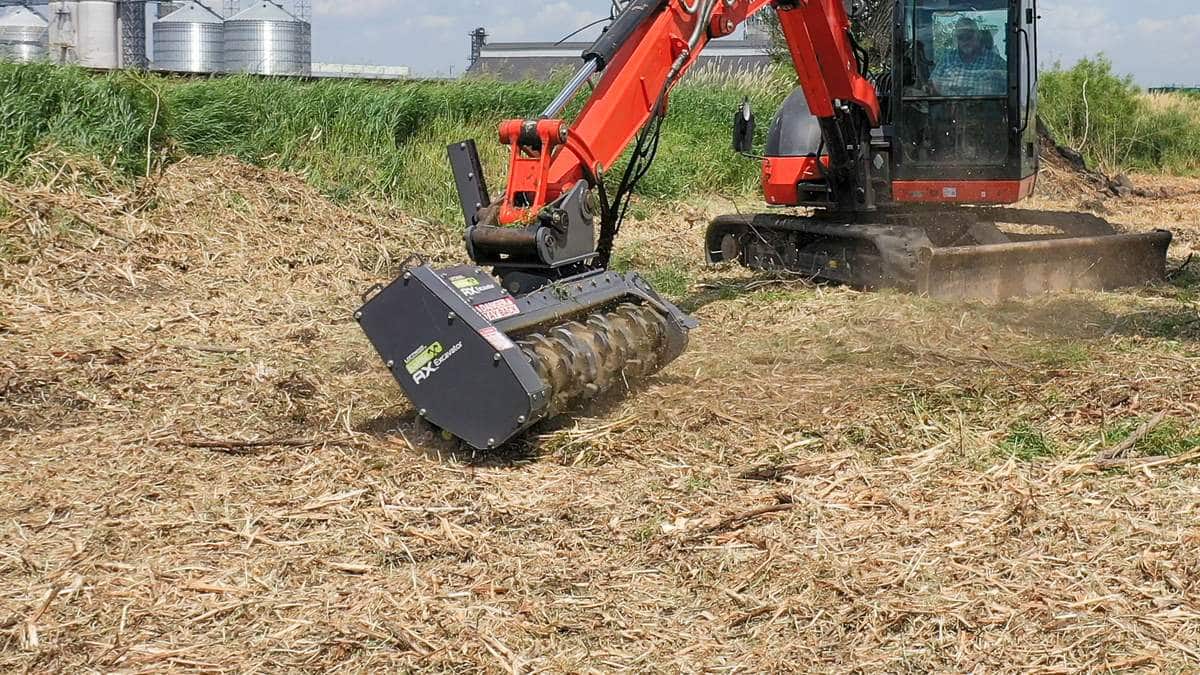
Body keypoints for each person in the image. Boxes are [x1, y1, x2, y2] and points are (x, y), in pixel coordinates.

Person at [929, 17, 1006, 96]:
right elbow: (932, 86)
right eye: (961, 37)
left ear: (979, 36)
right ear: (957, 39)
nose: (965, 41)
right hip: (949, 106)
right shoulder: (947, 59)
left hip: (984, 107)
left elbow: (1012, 91)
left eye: (969, 36)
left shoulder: (996, 62)